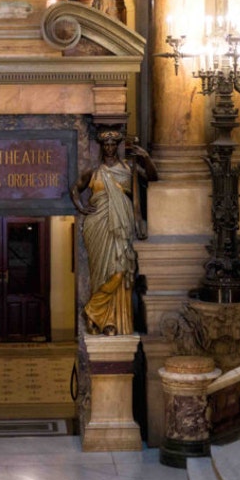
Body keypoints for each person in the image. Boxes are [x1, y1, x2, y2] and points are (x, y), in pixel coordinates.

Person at [70, 130, 157, 336]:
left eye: (112, 144)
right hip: (97, 225)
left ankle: (93, 310)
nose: (109, 148)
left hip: (123, 225)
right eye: (105, 145)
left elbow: (153, 178)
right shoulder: (94, 170)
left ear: (117, 145)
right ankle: (107, 321)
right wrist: (81, 208)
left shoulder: (129, 168)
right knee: (100, 273)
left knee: (119, 270)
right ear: (102, 147)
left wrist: (146, 159)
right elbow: (75, 189)